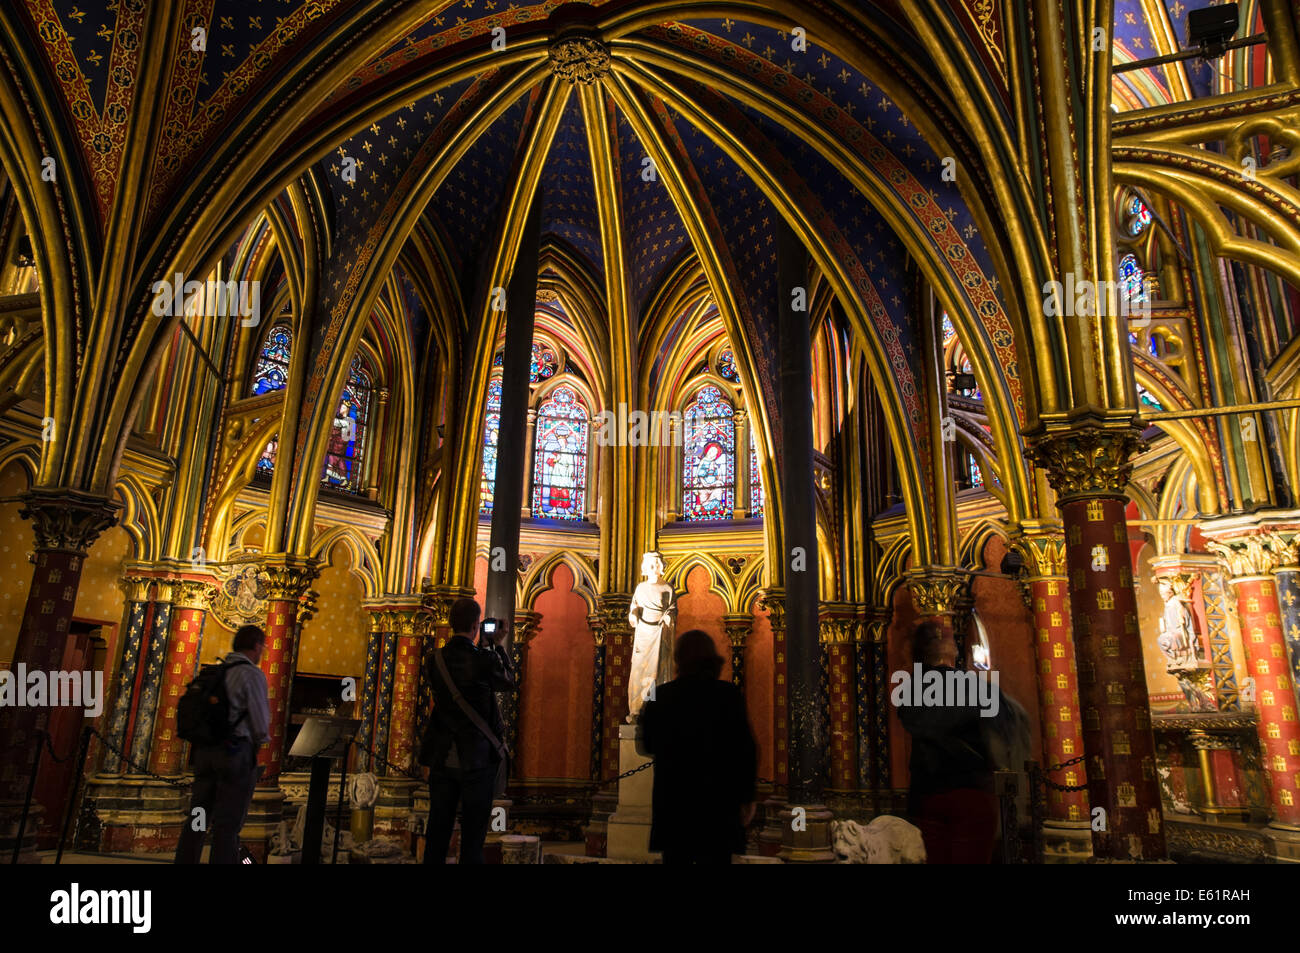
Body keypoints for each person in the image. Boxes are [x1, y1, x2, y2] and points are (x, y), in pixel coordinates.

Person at [640, 629, 757, 864]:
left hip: (675, 805)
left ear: (678, 659)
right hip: (718, 806)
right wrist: (747, 796)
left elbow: (646, 743)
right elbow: (746, 749)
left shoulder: (659, 695)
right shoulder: (728, 695)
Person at [418, 597, 515, 864]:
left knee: (437, 830)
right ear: (476, 625)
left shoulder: (433, 659)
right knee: (473, 837)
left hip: (442, 756)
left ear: (450, 624)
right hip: (477, 759)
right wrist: (496, 644)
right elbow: (508, 680)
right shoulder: (483, 659)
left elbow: (441, 704)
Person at [897, 621, 997, 864]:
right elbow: (999, 725)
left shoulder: (910, 689)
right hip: (969, 790)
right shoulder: (973, 686)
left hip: (929, 791)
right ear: (953, 649)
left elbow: (912, 720)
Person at [175, 624, 270, 864]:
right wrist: (257, 747)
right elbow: (260, 724)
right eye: (262, 647)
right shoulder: (251, 674)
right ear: (257, 646)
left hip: (205, 752)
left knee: (197, 817)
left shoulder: (217, 670)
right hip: (234, 753)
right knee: (227, 824)